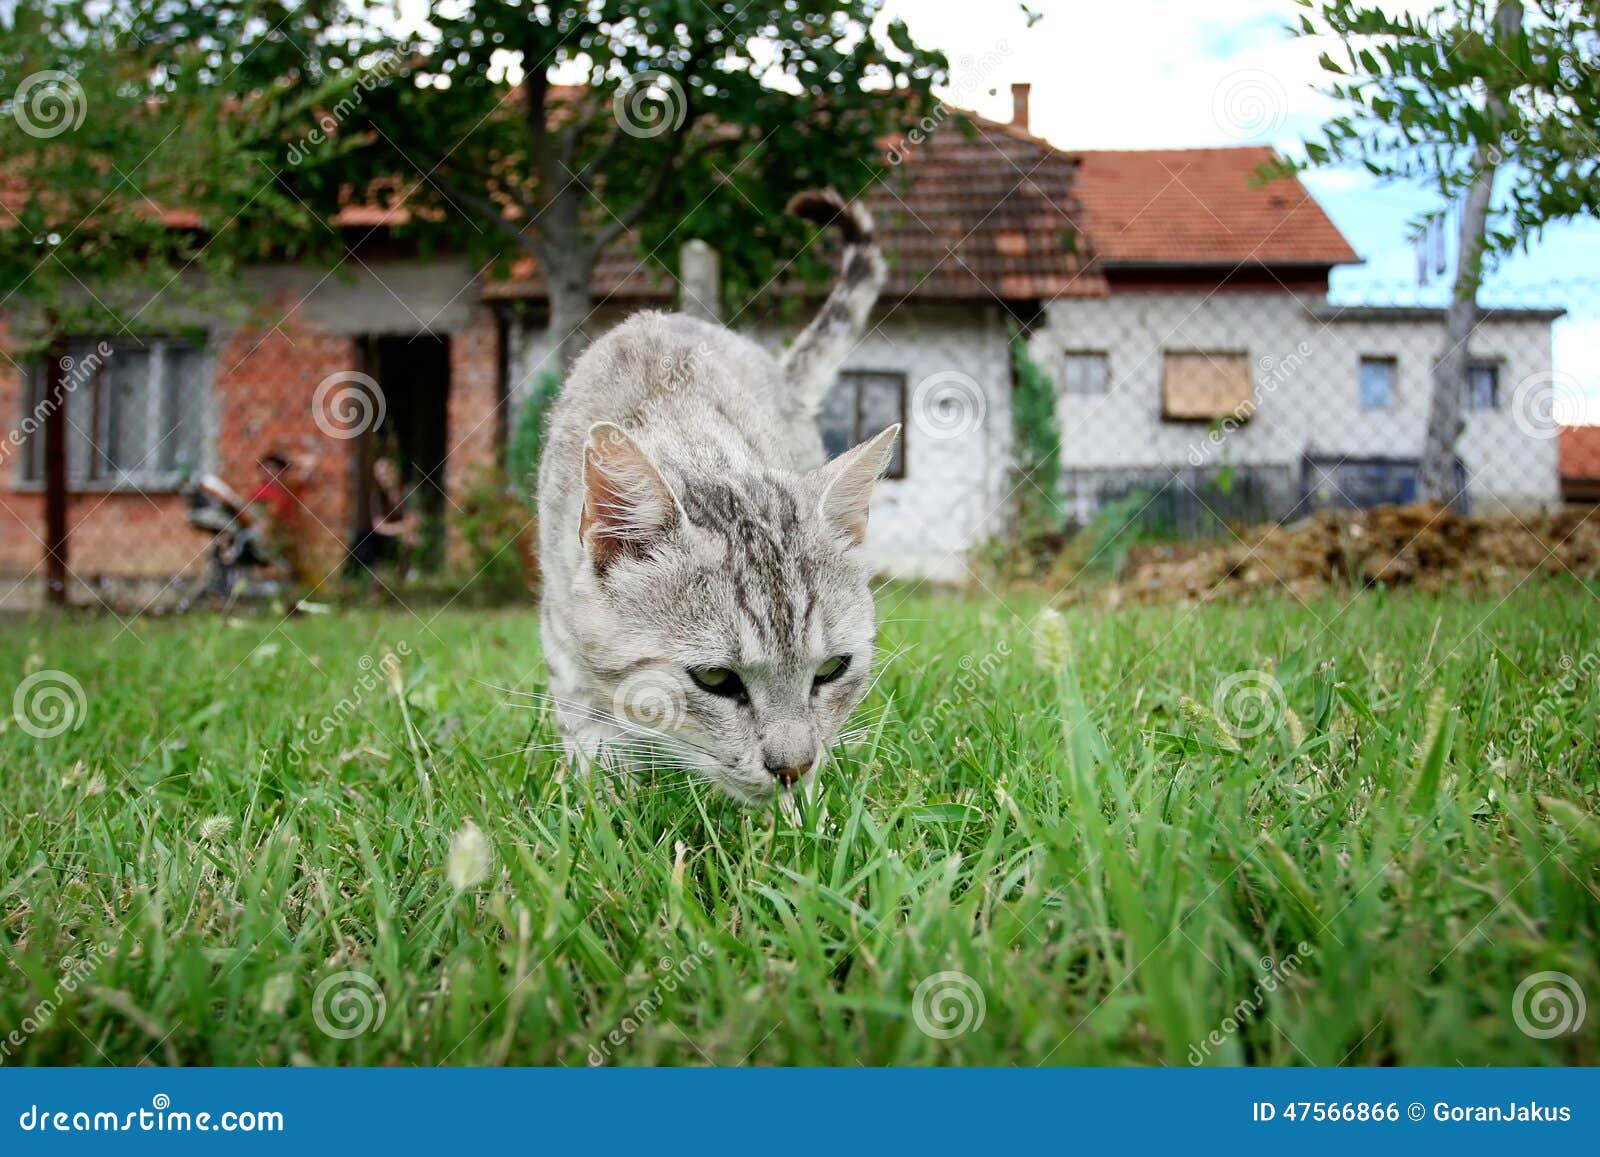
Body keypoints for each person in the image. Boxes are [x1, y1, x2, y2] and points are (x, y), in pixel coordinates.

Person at [352, 455, 419, 574]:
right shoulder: (377, 496)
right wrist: (401, 528)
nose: (383, 478)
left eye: (386, 473)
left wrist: (400, 529)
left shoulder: (408, 491)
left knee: (412, 539)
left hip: (406, 536)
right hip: (388, 536)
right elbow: (378, 526)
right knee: (363, 538)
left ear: (395, 471)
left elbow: (414, 522)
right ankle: (371, 574)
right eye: (379, 475)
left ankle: (409, 572)